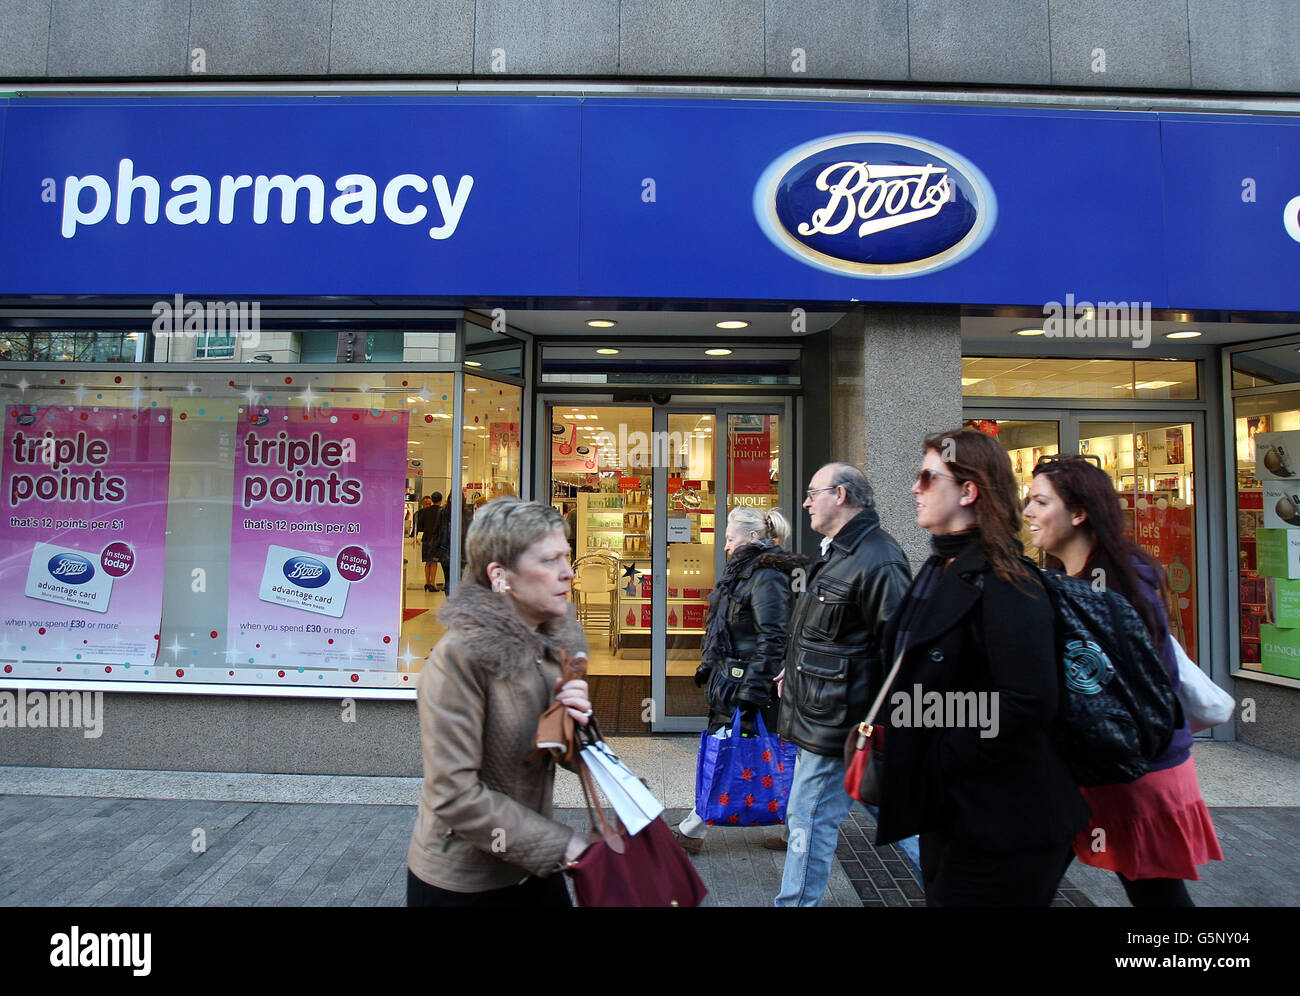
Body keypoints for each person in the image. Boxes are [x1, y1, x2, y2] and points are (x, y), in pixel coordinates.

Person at [875, 429, 1091, 907]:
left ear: (969, 492)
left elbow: (1028, 699)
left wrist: (942, 747)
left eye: (927, 477)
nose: (915, 488)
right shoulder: (938, 568)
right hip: (951, 806)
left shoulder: (1009, 582)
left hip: (1006, 816)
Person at [1024, 454, 1223, 906]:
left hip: (1133, 771)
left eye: (1039, 501)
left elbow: (1139, 690)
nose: (1027, 512)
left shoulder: (1118, 588)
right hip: (1107, 766)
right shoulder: (1073, 578)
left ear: (1078, 513)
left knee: (1155, 895)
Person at [406, 498, 593, 907]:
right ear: (500, 576)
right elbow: (453, 794)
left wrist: (576, 726)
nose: (568, 572)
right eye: (549, 560)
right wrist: (566, 847)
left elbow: (558, 755)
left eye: (567, 556)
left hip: (533, 864)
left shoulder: (553, 646)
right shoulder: (460, 657)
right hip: (464, 881)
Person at [774, 462, 911, 906]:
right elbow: (830, 634)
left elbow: (900, 650)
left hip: (842, 722)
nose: (806, 502)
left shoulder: (879, 558)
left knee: (807, 816)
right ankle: (967, 887)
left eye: (814, 493)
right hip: (830, 713)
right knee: (885, 809)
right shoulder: (840, 551)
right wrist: (792, 669)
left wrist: (875, 723)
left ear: (842, 495)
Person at [675, 506, 808, 853]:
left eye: (730, 538)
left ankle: (693, 829)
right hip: (736, 679)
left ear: (752, 537)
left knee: (732, 750)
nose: (724, 546)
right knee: (757, 752)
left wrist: (751, 693)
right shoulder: (744, 573)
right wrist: (710, 664)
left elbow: (773, 638)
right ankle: (795, 830)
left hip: (751, 685)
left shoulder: (766, 577)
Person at [415, 493, 443, 592]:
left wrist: (415, 536)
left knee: (427, 562)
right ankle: (432, 583)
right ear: (440, 500)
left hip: (426, 539)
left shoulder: (424, 512)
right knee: (434, 562)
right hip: (436, 540)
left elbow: (420, 526)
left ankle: (427, 582)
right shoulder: (441, 511)